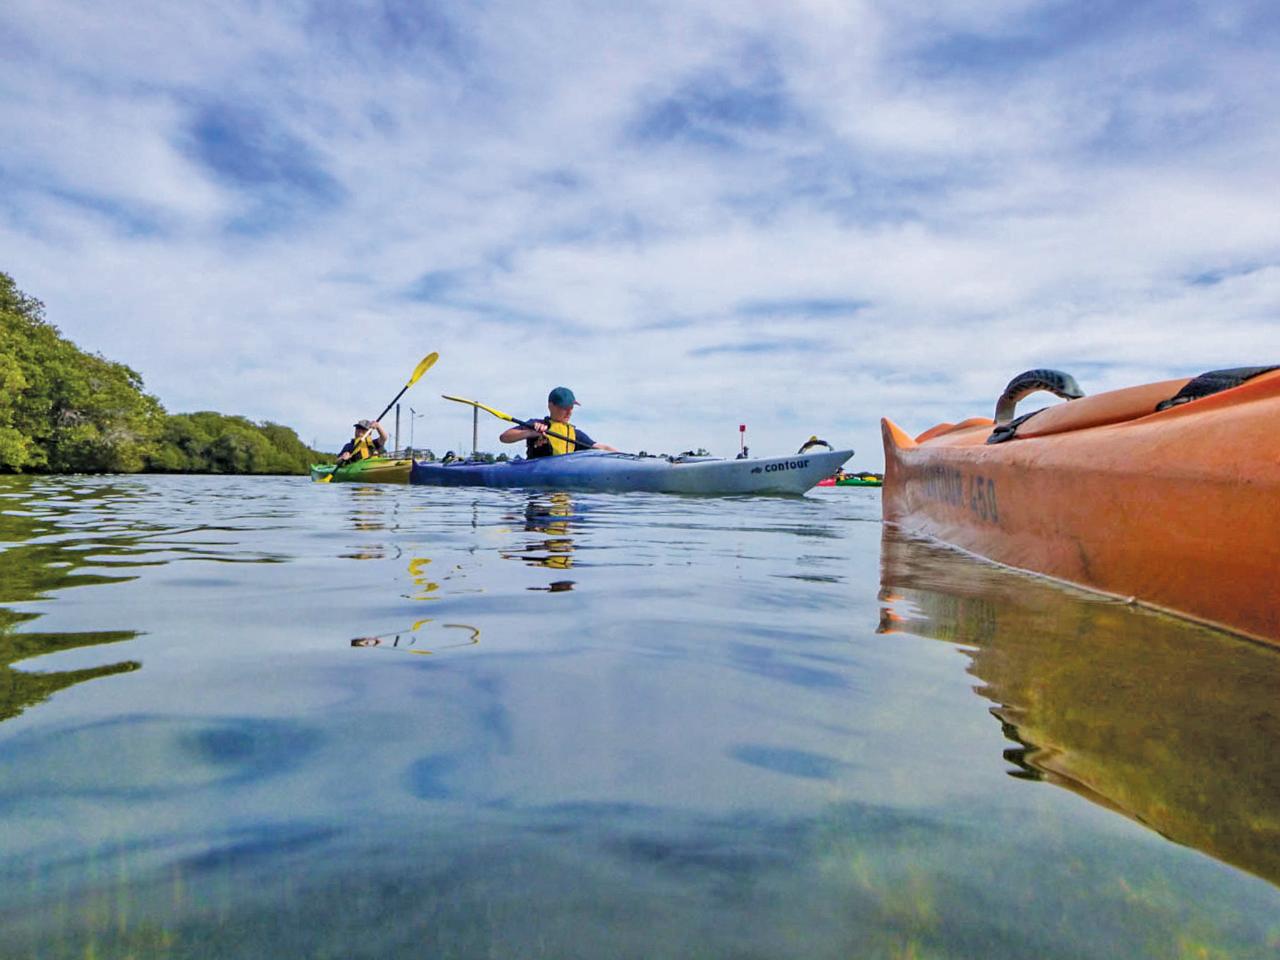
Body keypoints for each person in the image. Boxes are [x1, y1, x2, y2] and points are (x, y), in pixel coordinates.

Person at [499, 387, 618, 458]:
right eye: (564, 407)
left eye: (571, 407)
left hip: (563, 492)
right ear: (551, 406)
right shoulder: (535, 424)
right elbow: (504, 437)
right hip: (538, 493)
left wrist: (627, 458)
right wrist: (530, 433)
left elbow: (602, 447)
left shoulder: (574, 434)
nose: (569, 412)